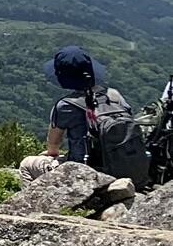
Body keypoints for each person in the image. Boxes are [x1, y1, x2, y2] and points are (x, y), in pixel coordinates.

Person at [21, 45, 149, 184]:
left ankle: (43, 203)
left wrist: (54, 154)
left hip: (85, 171)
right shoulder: (115, 95)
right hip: (124, 164)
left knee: (27, 164)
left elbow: (53, 147)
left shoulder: (65, 106)